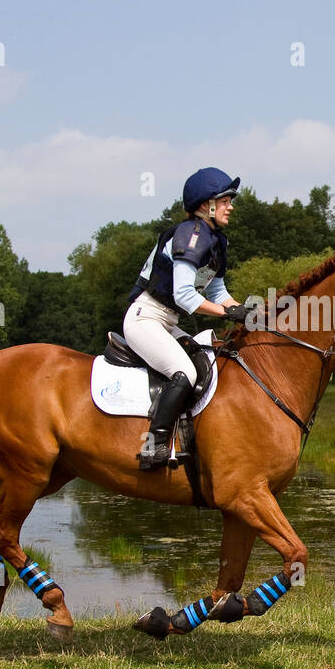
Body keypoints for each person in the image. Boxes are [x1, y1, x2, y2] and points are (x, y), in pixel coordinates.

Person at [124, 166, 252, 469]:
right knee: (185, 372)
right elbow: (184, 295)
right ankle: (153, 447)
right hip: (146, 318)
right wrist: (226, 312)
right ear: (205, 204)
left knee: (206, 364)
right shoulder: (190, 235)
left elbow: (218, 291)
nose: (230, 207)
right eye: (224, 201)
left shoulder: (216, 241)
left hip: (167, 323)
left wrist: (246, 311)